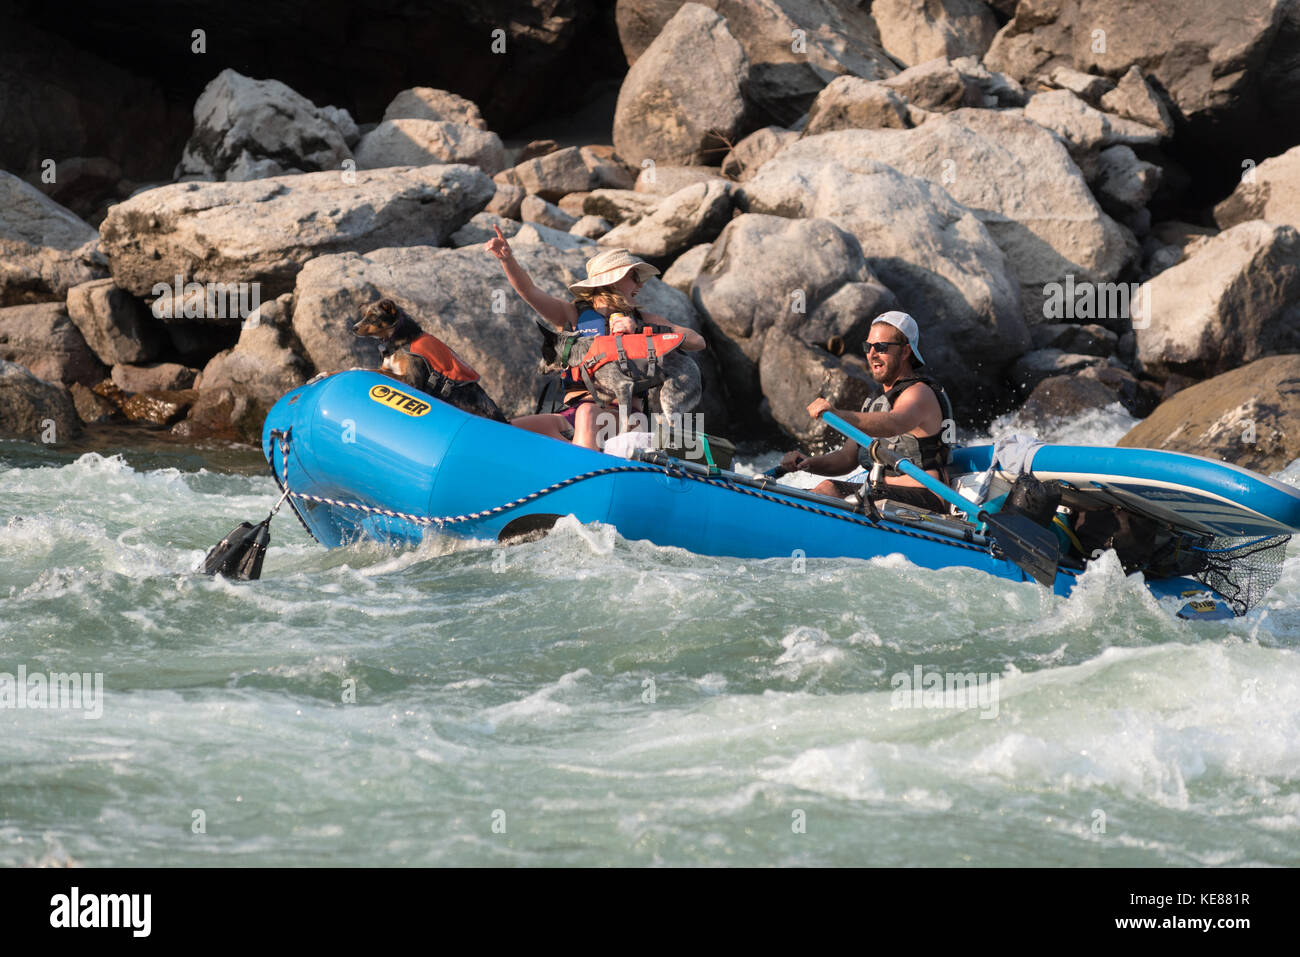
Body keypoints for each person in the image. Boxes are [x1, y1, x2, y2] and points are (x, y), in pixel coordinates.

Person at [486, 226, 706, 449]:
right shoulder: (571, 315)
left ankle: (586, 472)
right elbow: (529, 292)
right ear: (613, 281)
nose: (641, 284)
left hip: (622, 418)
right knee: (506, 430)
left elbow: (697, 341)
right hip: (570, 414)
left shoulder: (644, 318)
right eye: (634, 276)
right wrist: (507, 259)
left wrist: (640, 327)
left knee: (587, 413)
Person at [780, 311, 954, 514]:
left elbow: (894, 423)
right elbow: (846, 458)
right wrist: (806, 464)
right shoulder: (874, 401)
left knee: (829, 490)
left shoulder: (919, 393)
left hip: (925, 497)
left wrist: (838, 414)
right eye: (868, 347)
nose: (872, 354)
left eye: (881, 347)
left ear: (905, 351)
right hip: (877, 492)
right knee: (818, 490)